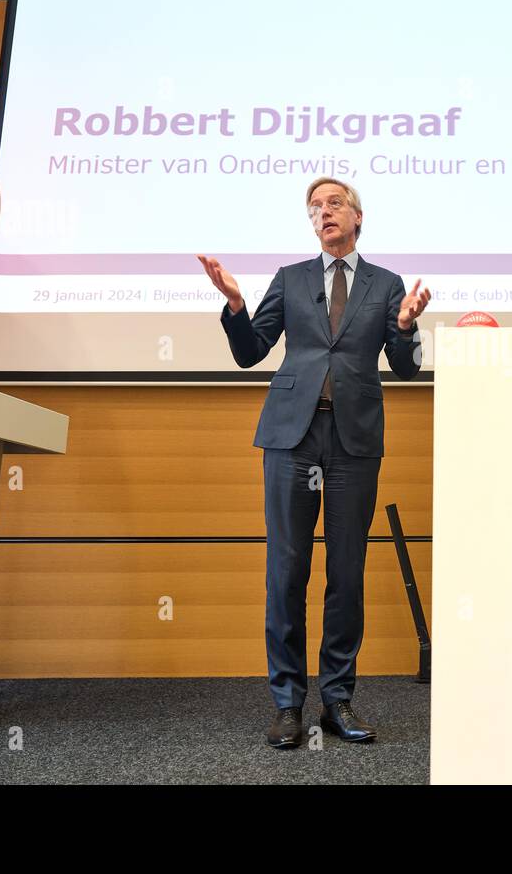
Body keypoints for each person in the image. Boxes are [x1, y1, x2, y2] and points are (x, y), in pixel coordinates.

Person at [198, 177, 430, 749]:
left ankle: (338, 700)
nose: (322, 213)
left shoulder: (387, 284)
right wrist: (234, 304)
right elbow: (251, 352)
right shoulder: (291, 278)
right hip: (291, 436)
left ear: (357, 217)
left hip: (354, 439)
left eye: (333, 205)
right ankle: (286, 704)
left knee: (346, 572)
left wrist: (405, 326)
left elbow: (404, 368)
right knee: (288, 569)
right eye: (314, 208)